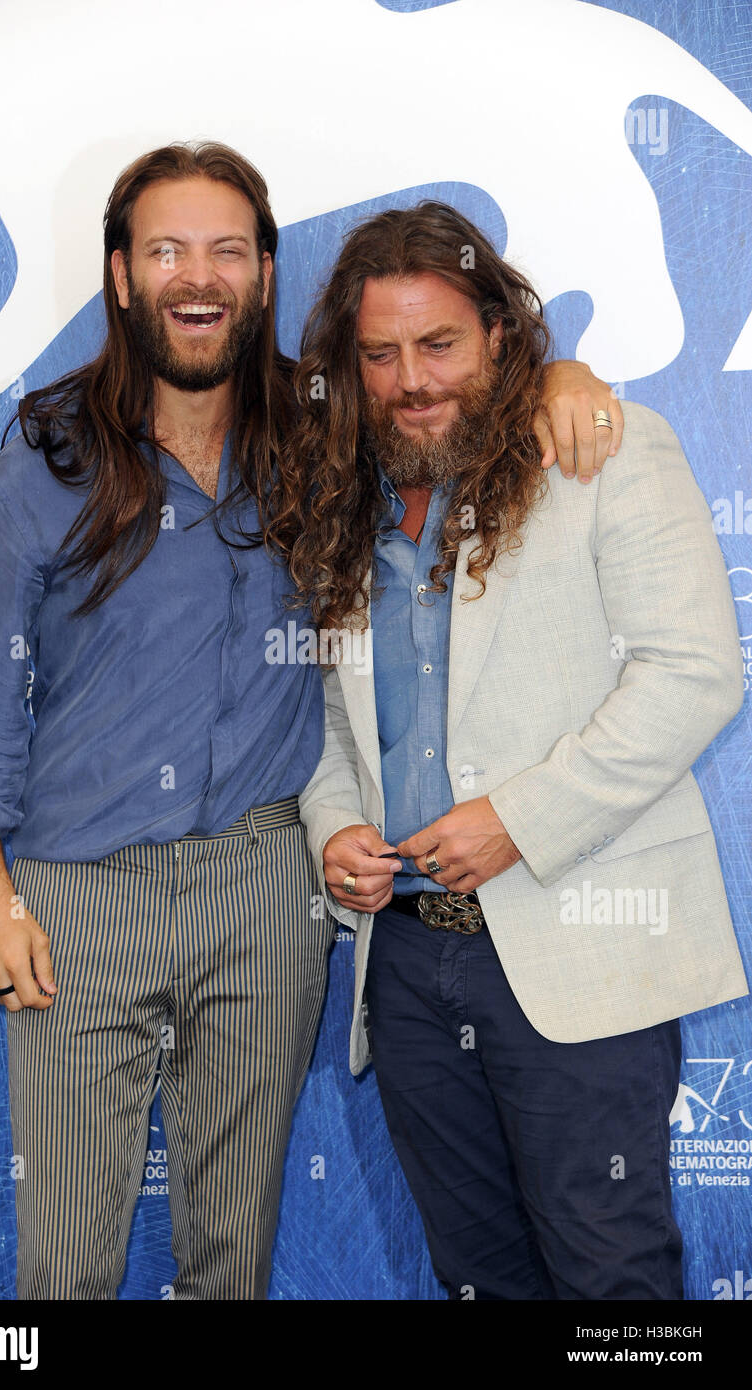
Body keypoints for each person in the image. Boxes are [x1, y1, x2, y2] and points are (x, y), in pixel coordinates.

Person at [0, 145, 621, 1301]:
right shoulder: (43, 462)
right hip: (76, 895)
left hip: (266, 887)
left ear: (261, 274)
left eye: (228, 251)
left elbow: (440, 400)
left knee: (231, 1259)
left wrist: (558, 375)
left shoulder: (323, 430)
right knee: (63, 1272)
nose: (200, 276)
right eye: (167, 250)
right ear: (122, 276)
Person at [289, 201, 748, 1300]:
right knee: (478, 1280)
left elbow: (693, 671)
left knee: (611, 1283)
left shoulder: (601, 452)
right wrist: (332, 823)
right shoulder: (335, 503)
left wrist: (515, 822)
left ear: (499, 337)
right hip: (402, 960)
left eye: (438, 344)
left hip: (575, 940)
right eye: (381, 354)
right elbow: (330, 727)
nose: (411, 379)